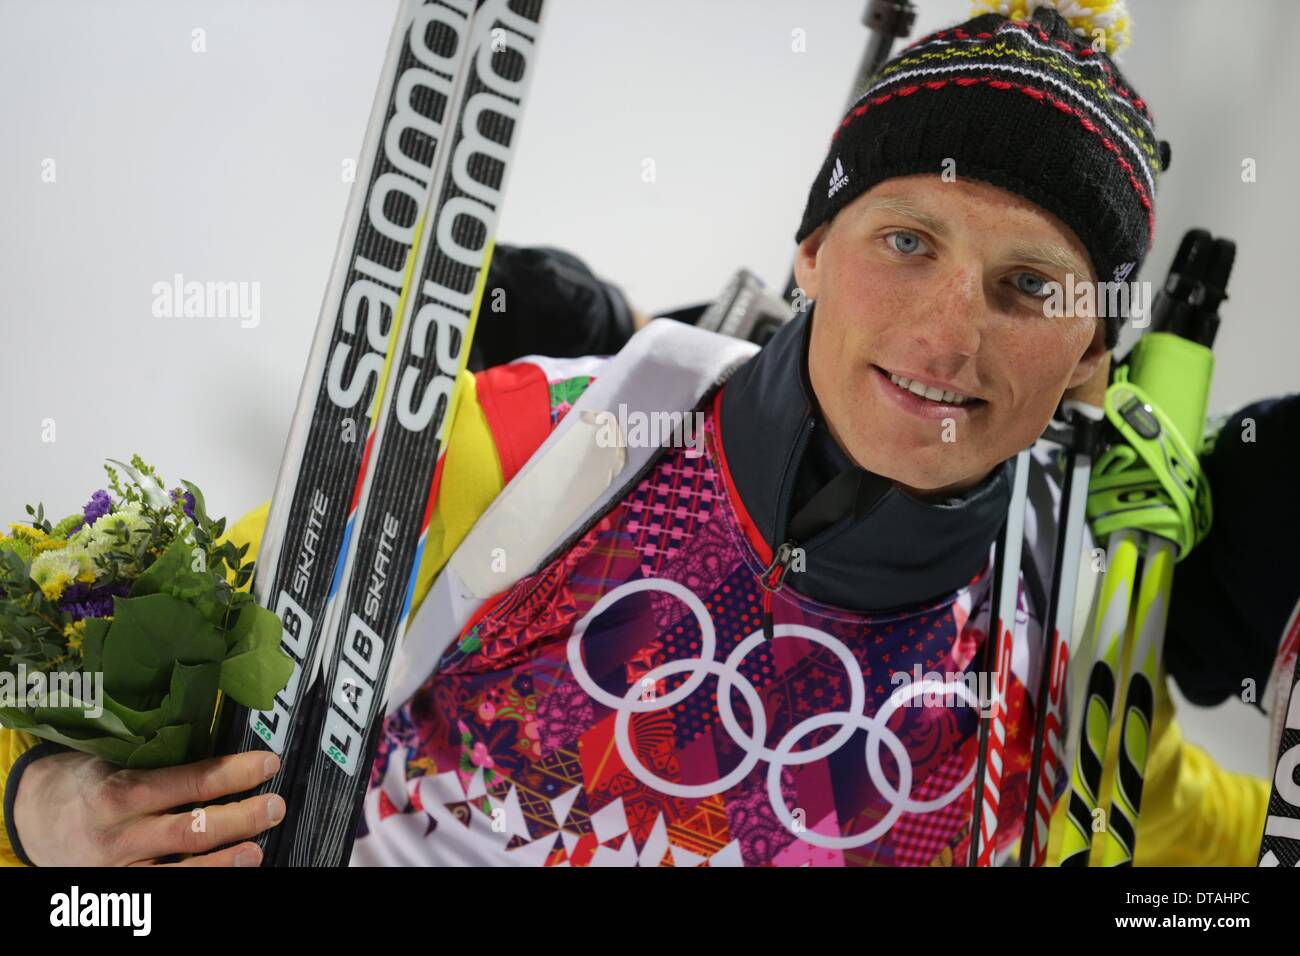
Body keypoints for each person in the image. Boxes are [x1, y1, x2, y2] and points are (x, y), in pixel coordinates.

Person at [1, 0, 1283, 867]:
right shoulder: (526, 454)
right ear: (812, 249)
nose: (951, 332)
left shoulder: (1070, 642)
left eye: (1029, 288)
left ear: (1094, 354)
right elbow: (71, 690)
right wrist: (48, 816)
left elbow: (1215, 855)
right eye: (907, 241)